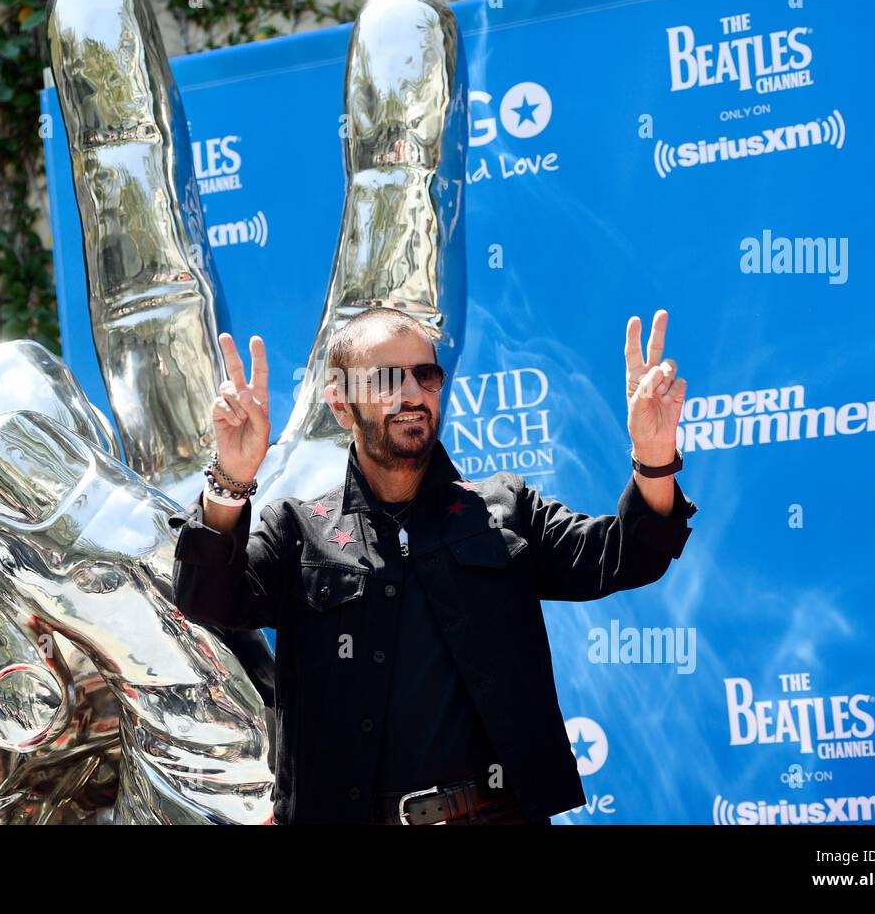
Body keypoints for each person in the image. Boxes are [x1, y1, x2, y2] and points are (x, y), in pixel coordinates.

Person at [167, 307, 699, 825]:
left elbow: (630, 554)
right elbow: (205, 597)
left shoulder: (504, 508)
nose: (412, 394)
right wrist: (231, 481)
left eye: (426, 375)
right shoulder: (296, 531)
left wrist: (654, 456)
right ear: (340, 403)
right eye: (387, 378)